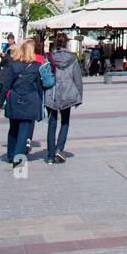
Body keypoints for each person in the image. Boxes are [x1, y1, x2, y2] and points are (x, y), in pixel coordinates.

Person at [0, 39, 45, 169]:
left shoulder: (14, 65)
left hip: (14, 99)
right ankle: (18, 156)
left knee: (13, 128)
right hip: (29, 100)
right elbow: (40, 87)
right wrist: (42, 102)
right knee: (24, 129)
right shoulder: (36, 66)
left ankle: (11, 154)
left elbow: (6, 85)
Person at [44, 33, 83, 165]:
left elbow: (44, 76)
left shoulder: (49, 57)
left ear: (55, 44)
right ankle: (59, 149)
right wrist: (79, 96)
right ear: (66, 44)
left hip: (51, 93)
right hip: (67, 93)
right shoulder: (72, 58)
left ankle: (49, 156)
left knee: (52, 123)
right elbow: (77, 78)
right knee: (65, 122)